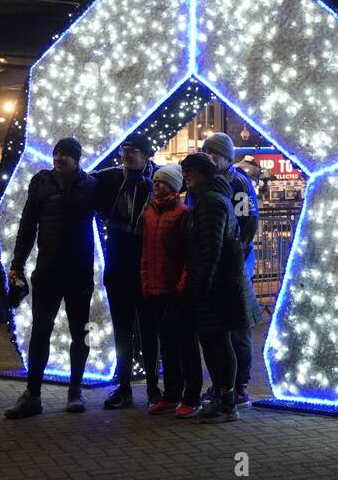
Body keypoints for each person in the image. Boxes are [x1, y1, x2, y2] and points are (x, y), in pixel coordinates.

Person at [5, 137, 99, 419]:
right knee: (40, 331)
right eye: (56, 154)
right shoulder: (41, 182)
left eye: (65, 156)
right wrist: (17, 265)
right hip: (47, 269)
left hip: (79, 271)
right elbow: (28, 224)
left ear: (76, 158)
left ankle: (75, 391)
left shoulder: (91, 186)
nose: (58, 159)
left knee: (79, 332)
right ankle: (33, 394)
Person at [180, 153, 255, 423]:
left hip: (215, 286)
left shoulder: (211, 202)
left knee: (219, 344)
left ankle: (227, 400)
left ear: (205, 173)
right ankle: (224, 397)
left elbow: (211, 247)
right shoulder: (211, 197)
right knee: (216, 344)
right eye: (184, 171)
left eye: (191, 171)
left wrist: (202, 283)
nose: (187, 175)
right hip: (218, 282)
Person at [94, 134, 157, 409]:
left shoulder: (160, 183)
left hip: (147, 269)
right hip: (119, 267)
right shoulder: (110, 179)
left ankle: (155, 387)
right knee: (122, 329)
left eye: (133, 152)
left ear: (146, 155)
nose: (127, 156)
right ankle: (124, 387)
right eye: (124, 150)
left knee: (149, 329)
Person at [199, 133, 260, 407]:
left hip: (235, 262)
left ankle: (240, 384)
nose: (210, 157)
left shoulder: (238, 182)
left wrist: (237, 253)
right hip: (216, 260)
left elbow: (248, 221)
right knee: (219, 324)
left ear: (226, 156)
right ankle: (223, 382)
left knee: (237, 322)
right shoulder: (207, 182)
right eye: (207, 152)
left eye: (215, 153)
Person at [139, 165, 201, 416]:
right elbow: (146, 250)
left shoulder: (183, 214)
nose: (158, 185)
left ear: (175, 187)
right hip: (156, 288)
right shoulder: (150, 214)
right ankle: (171, 393)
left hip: (176, 289)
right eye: (156, 181)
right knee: (167, 344)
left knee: (186, 343)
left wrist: (181, 286)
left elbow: (189, 255)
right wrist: (145, 280)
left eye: (163, 182)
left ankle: (191, 396)